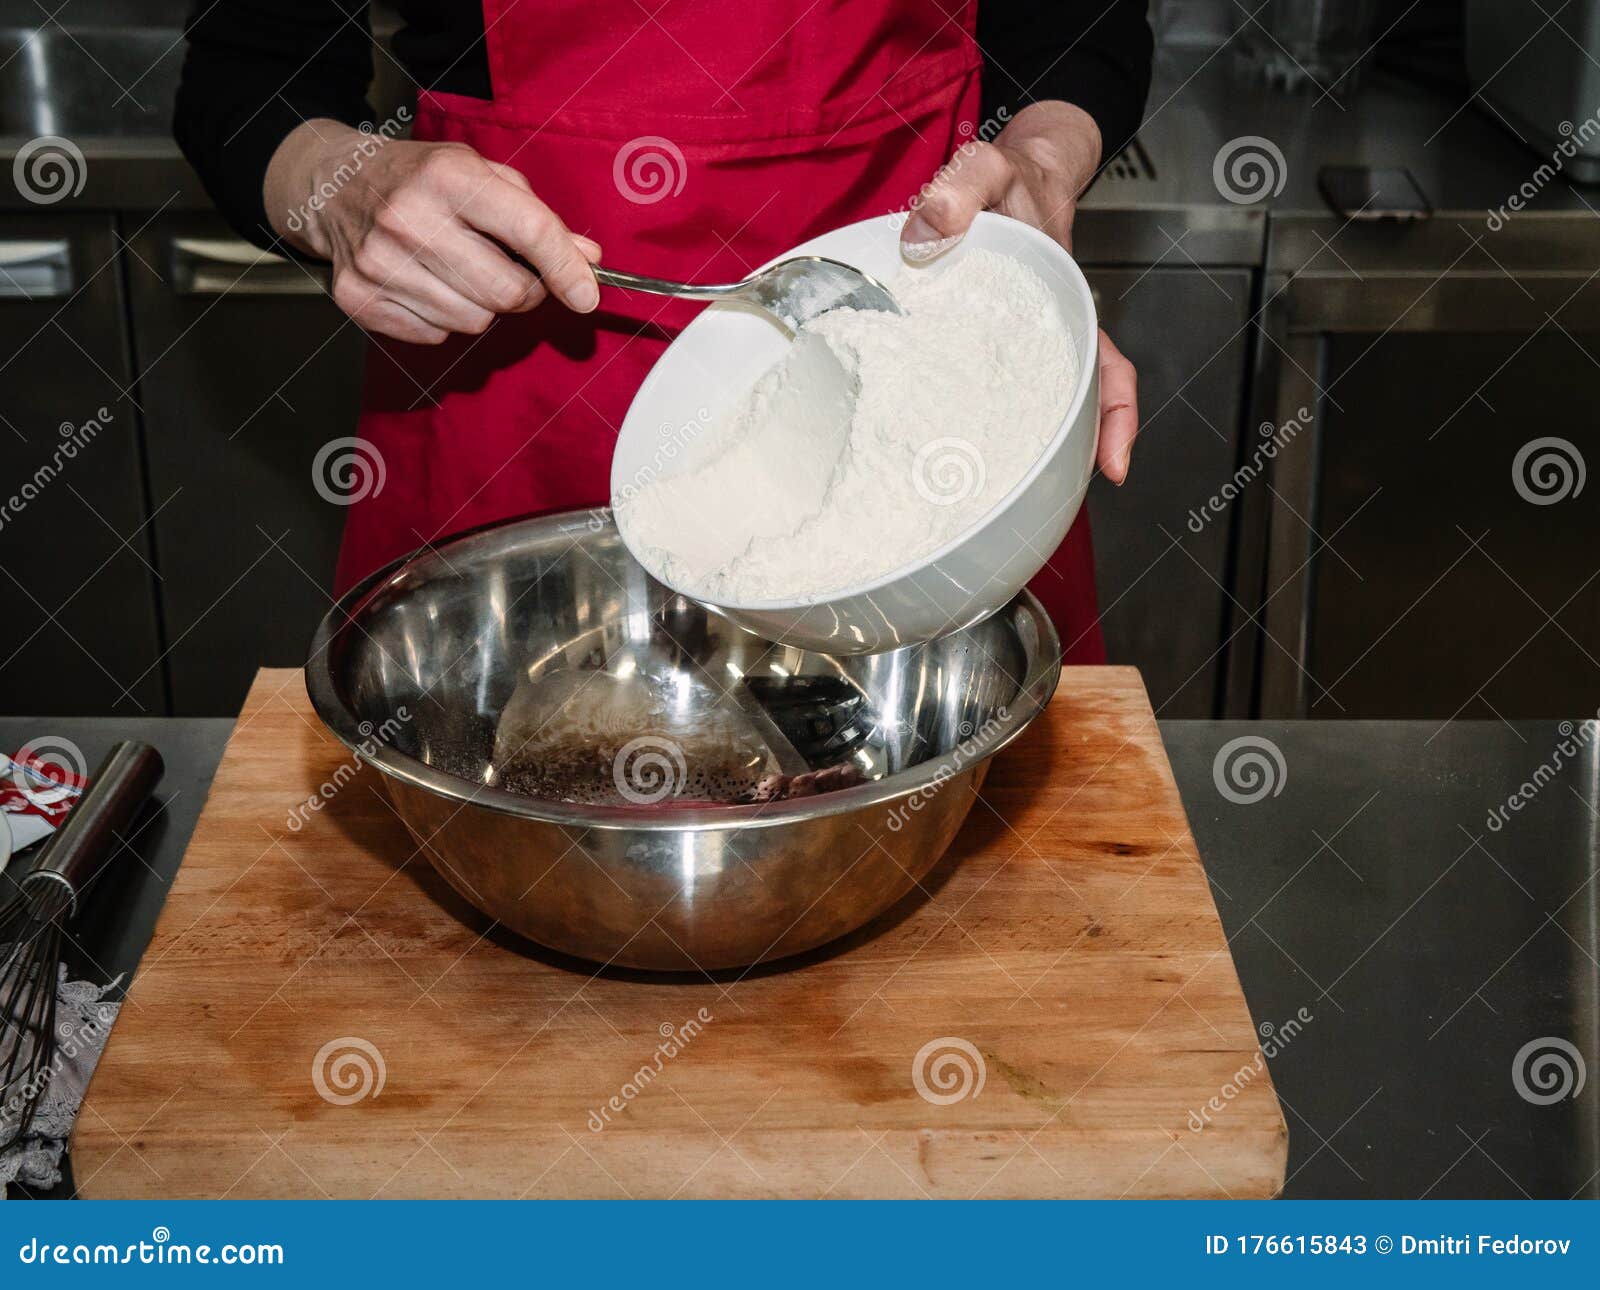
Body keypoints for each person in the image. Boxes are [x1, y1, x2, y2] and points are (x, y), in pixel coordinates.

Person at [176, 1, 1152, 663]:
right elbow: (250, 70)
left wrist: (1038, 161)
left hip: (921, 359)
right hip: (510, 397)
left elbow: (1076, 25)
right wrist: (339, 186)